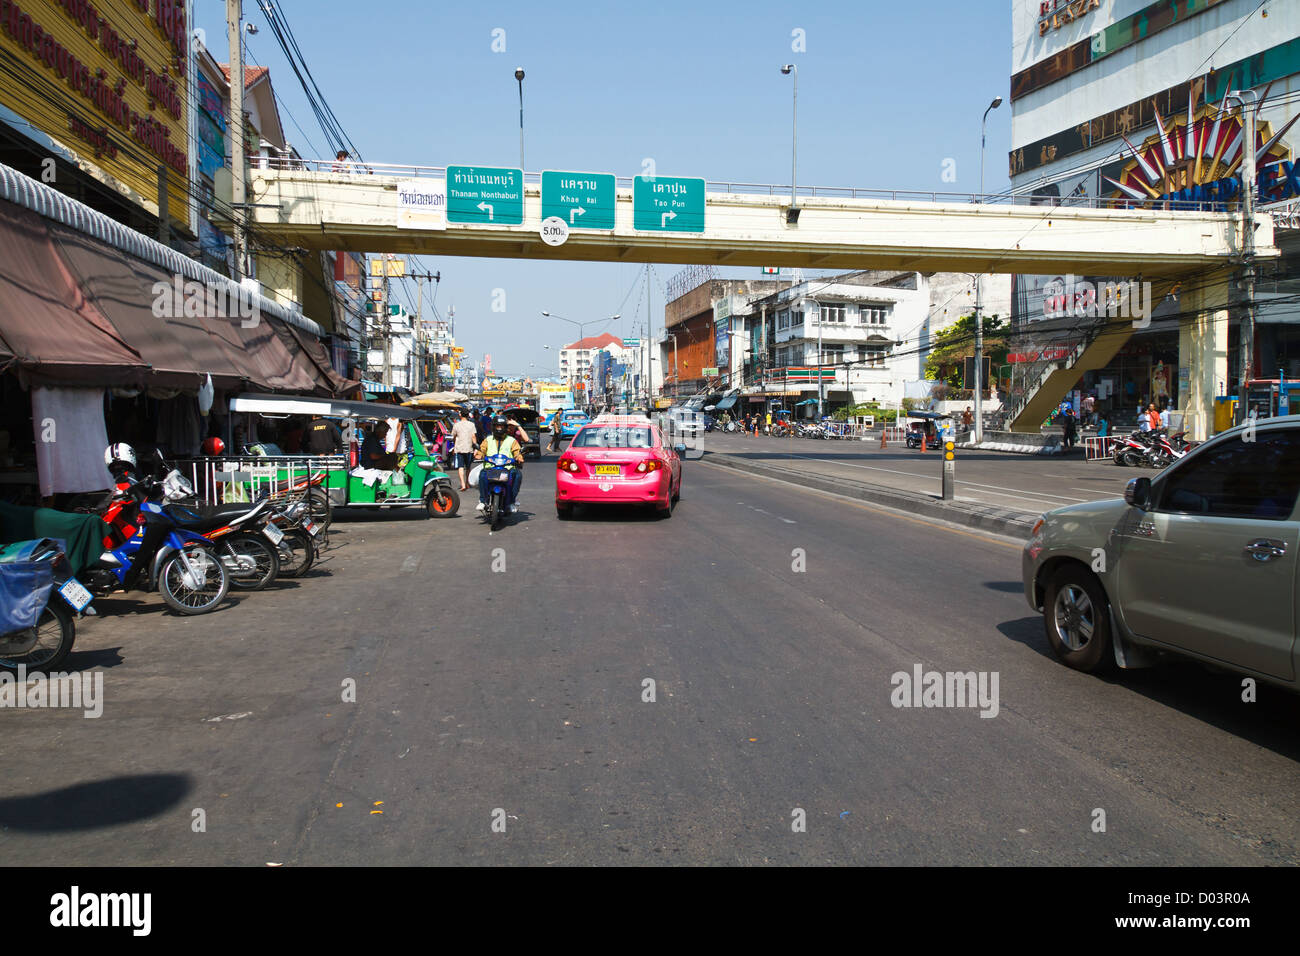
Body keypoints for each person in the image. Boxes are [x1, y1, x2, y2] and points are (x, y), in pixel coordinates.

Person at [474, 416, 524, 513]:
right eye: (497, 426)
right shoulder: (487, 440)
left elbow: (517, 452)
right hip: (491, 468)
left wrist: (519, 457)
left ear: (505, 427)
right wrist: (479, 455)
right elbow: (482, 450)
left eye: (501, 426)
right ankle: (483, 500)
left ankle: (511, 501)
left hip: (507, 468)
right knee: (482, 474)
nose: (499, 428)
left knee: (517, 475)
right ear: (493, 427)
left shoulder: (511, 440)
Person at [449, 408, 478, 492]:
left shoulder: (456, 425)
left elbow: (453, 436)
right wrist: (475, 448)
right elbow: (473, 436)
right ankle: (467, 483)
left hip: (459, 448)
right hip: (469, 448)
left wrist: (454, 446)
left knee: (460, 467)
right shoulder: (471, 424)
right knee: (468, 467)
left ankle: (463, 484)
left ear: (460, 415)